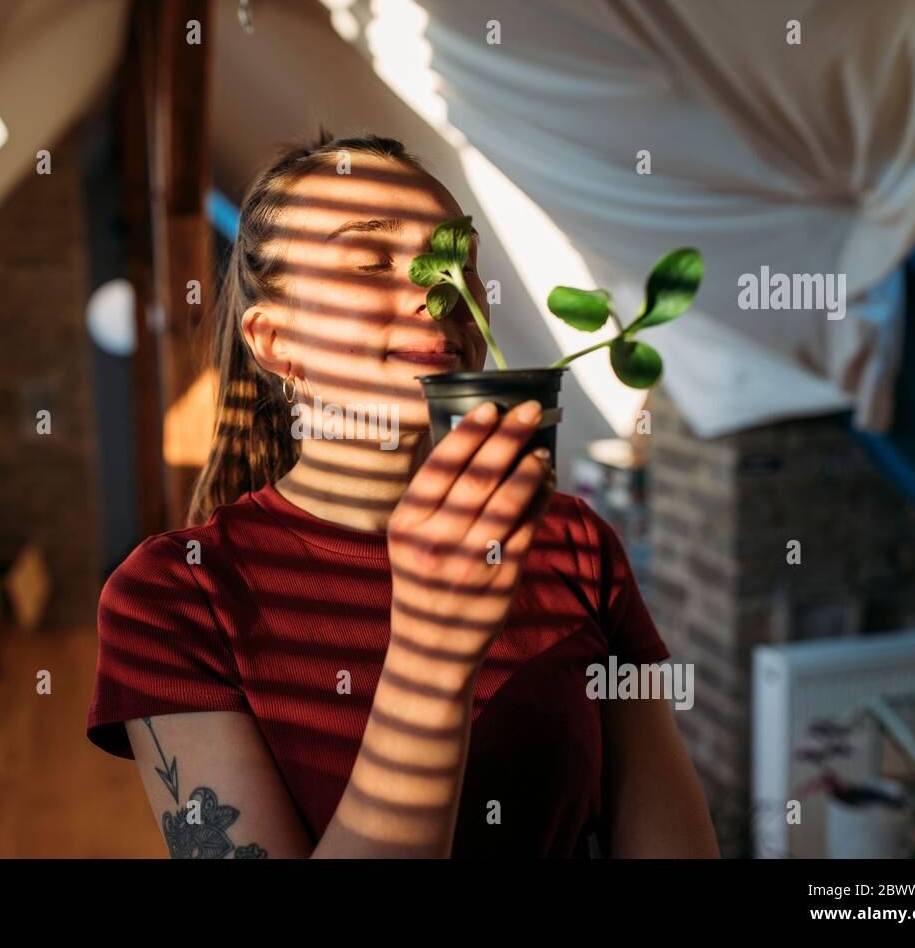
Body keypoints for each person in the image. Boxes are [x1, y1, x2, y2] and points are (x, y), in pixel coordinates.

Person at [86, 131, 719, 859]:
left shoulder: (576, 542)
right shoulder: (171, 599)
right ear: (275, 339)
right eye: (370, 261)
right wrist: (432, 649)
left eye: (461, 261)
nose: (437, 288)